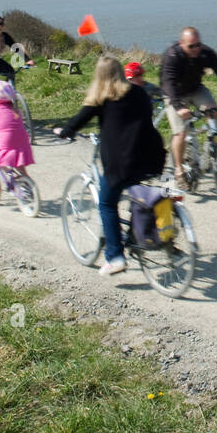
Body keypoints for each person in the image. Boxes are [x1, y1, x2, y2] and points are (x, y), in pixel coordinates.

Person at [55, 56, 166, 276]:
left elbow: (78, 121)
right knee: (138, 192)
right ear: (120, 72)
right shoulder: (139, 93)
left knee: (106, 203)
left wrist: (63, 131)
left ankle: (115, 257)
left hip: (122, 162)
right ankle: (148, 234)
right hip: (152, 156)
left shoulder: (100, 97)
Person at [160, 27, 217, 187]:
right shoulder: (173, 56)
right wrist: (179, 107)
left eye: (198, 45)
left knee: (213, 111)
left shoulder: (206, 53)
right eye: (191, 46)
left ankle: (209, 150)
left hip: (195, 88)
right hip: (174, 94)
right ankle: (178, 169)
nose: (196, 49)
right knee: (181, 133)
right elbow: (168, 83)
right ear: (181, 44)